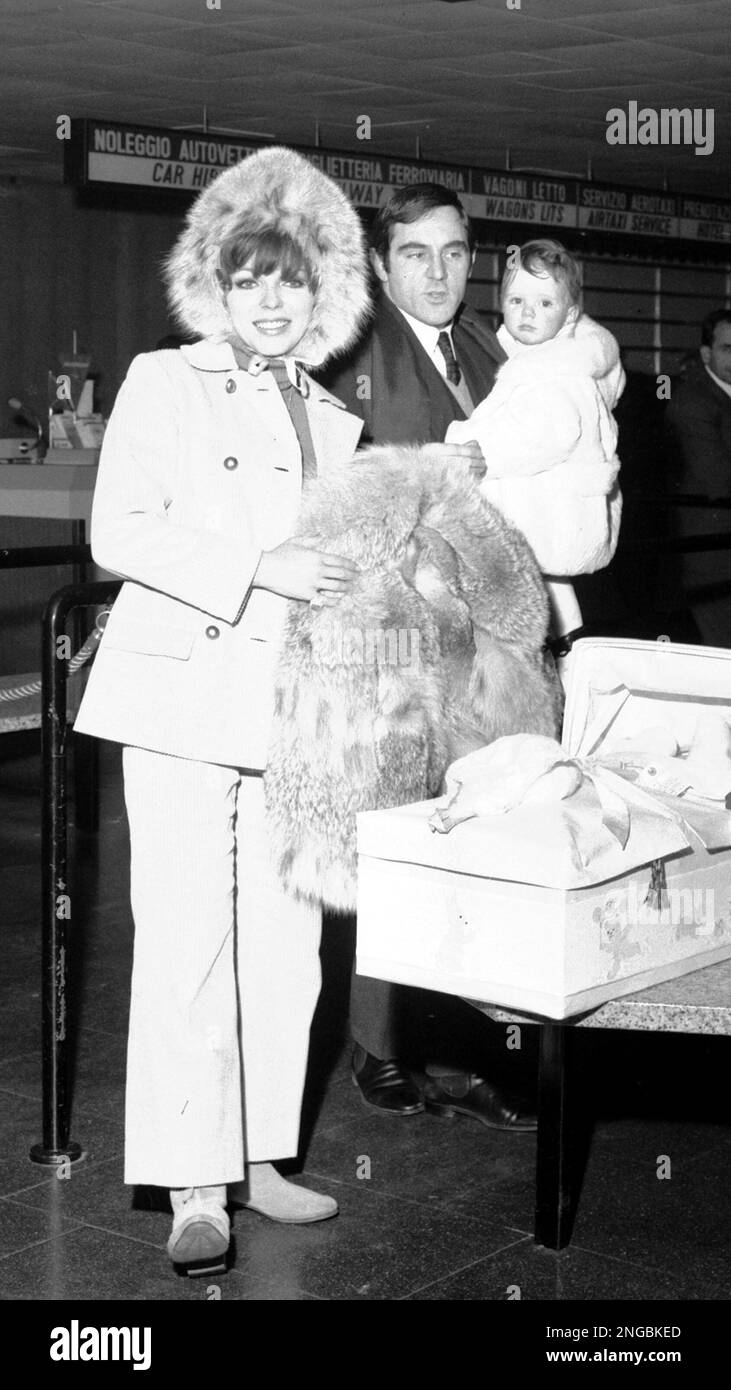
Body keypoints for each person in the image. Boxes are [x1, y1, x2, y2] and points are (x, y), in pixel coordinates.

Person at [74, 146, 370, 1272]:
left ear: (321, 291)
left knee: (288, 948)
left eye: (291, 280)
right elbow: (121, 533)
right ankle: (197, 1178)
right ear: (217, 286)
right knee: (188, 935)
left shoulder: (334, 419)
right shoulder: (165, 381)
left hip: (293, 713)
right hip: (182, 694)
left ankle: (261, 1156)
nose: (272, 301)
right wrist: (260, 565)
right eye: (250, 279)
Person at [320, 183, 536, 1131]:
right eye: (417, 253)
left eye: (453, 253)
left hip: (484, 642)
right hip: (395, 633)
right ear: (381, 262)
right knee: (393, 832)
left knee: (473, 830)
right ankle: (382, 1044)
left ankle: (463, 1044)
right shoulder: (350, 356)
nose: (439, 272)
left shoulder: (496, 348)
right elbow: (333, 493)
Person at [446, 238, 623, 650]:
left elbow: (547, 432)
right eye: (517, 300)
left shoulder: (556, 372)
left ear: (570, 315)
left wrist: (463, 441)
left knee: (525, 635)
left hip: (543, 525)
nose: (528, 313)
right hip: (541, 527)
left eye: (545, 304)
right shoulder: (528, 360)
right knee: (558, 617)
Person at [663, 308, 731, 648]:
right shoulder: (692, 401)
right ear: (706, 353)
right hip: (711, 559)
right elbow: (718, 480)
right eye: (727, 349)